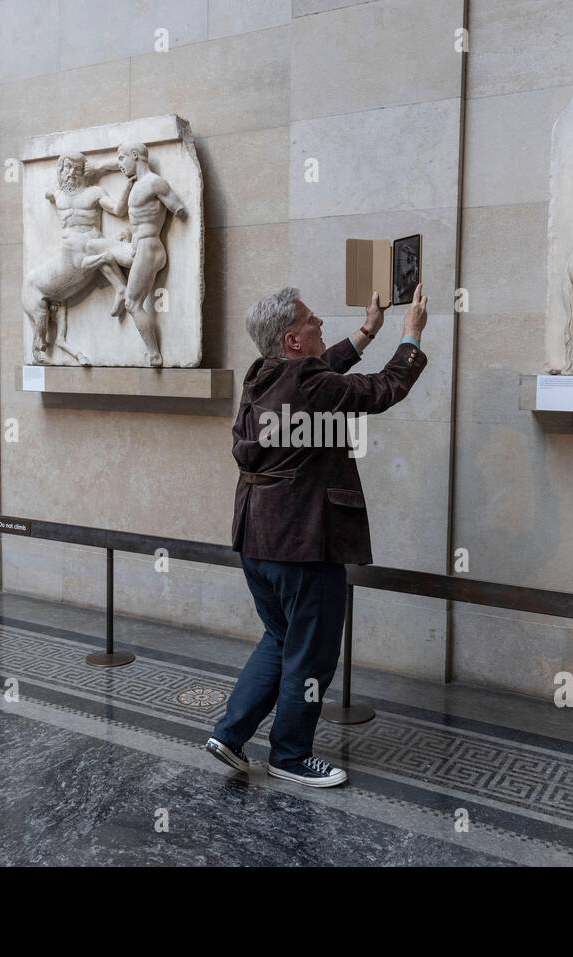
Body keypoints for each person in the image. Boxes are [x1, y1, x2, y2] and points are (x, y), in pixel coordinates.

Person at [206, 283, 428, 787]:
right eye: (311, 322)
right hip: (302, 542)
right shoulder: (305, 379)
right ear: (292, 341)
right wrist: (410, 338)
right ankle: (290, 756)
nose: (319, 324)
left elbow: (319, 373)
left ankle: (230, 733)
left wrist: (368, 330)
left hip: (258, 540)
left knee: (280, 639)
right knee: (312, 653)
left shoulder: (262, 374)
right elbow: (381, 390)